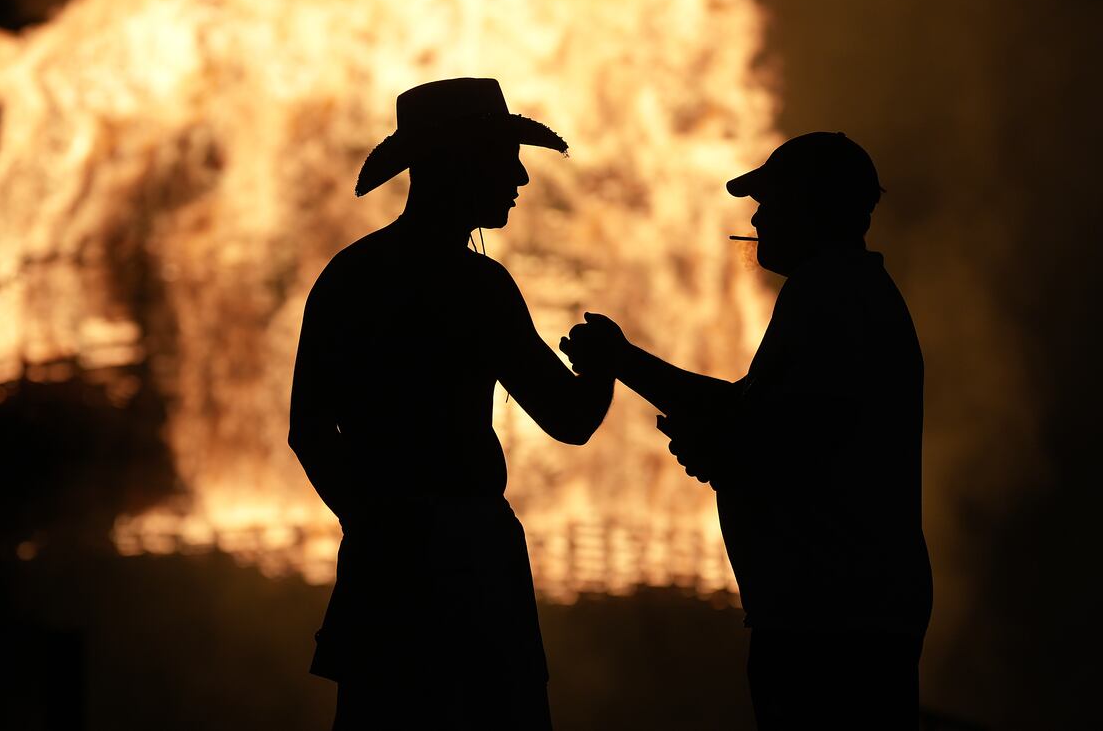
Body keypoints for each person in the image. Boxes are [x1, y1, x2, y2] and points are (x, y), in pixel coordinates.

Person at [561, 132, 933, 729]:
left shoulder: (831, 298)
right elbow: (760, 414)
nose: (757, 217)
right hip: (841, 604)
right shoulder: (838, 291)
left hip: (831, 616)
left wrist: (721, 453)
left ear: (813, 208)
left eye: (770, 201)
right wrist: (628, 363)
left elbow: (784, 447)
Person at [288, 78, 614, 730]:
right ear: (457, 162)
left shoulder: (348, 276)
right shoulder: (478, 287)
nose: (519, 176)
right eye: (501, 156)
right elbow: (571, 419)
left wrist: (371, 524)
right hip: (472, 561)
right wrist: (605, 363)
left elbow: (309, 430)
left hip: (384, 564)